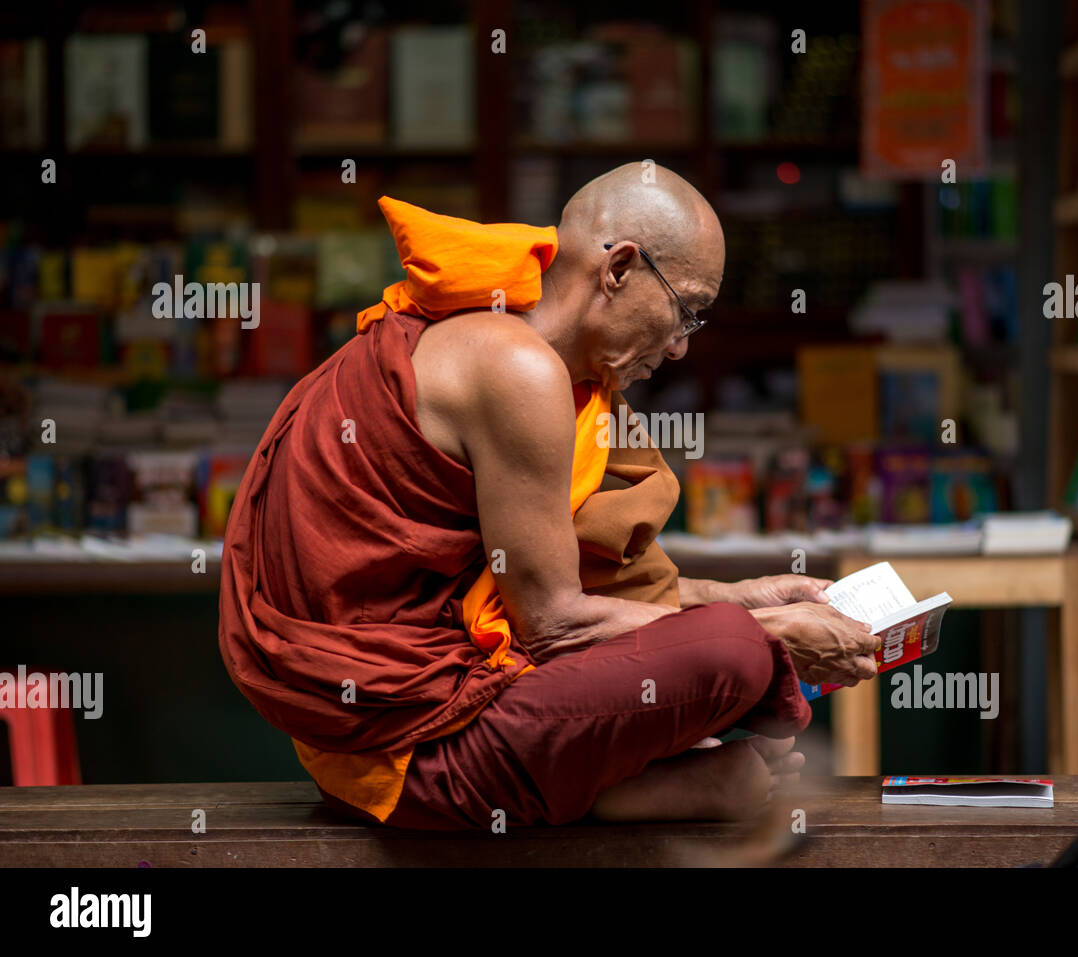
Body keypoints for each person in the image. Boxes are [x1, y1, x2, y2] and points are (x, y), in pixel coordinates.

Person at [218, 162, 879, 830]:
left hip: (395, 733)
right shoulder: (517, 367)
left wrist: (740, 595)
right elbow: (556, 621)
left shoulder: (547, 367)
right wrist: (768, 637)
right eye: (686, 311)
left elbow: (567, 588)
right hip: (416, 751)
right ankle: (618, 789)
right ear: (618, 268)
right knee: (731, 653)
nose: (680, 347)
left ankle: (630, 777)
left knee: (727, 640)